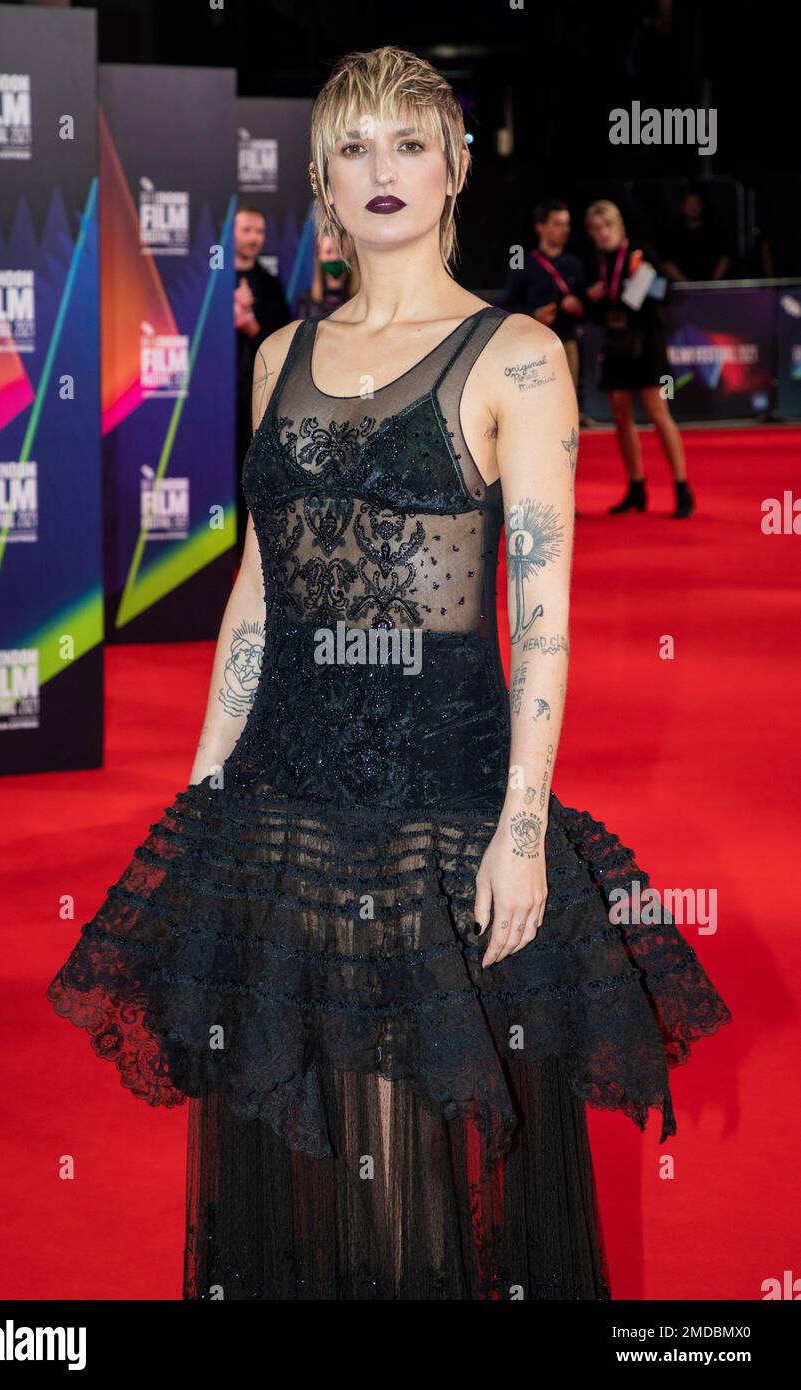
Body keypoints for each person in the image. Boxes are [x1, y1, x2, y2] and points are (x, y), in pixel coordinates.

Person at [46, 46, 730, 1301]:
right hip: (278, 806)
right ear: (317, 172)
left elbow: (542, 612)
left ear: (457, 167)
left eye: (408, 141)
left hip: (438, 803)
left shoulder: (516, 355)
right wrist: (202, 793)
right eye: (353, 145)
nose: (381, 170)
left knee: (417, 1154)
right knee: (294, 1136)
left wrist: (522, 822)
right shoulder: (275, 361)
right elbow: (257, 590)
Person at [584, 199, 695, 518]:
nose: (601, 234)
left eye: (606, 227)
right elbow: (595, 312)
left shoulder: (639, 252)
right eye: (595, 229)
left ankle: (681, 487)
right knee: (619, 413)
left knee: (658, 413)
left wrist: (640, 283)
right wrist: (595, 300)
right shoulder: (596, 263)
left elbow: (667, 293)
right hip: (616, 344)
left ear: (619, 227)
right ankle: (636, 487)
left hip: (647, 343)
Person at [233, 204, 291, 547]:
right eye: (247, 230)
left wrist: (250, 323)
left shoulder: (269, 285)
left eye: (259, 232)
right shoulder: (214, 280)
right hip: (215, 400)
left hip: (256, 397)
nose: (254, 238)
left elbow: (281, 339)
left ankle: (248, 549)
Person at [502, 198, 585, 392]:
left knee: (567, 398)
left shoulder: (576, 264)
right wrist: (534, 316)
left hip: (566, 342)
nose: (564, 229)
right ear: (540, 227)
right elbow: (508, 307)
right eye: (557, 224)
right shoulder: (524, 263)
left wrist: (578, 305)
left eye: (566, 224)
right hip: (533, 343)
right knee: (534, 398)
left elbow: (589, 310)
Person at [663, 186, 731, 284]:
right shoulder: (671, 234)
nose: (693, 207)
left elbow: (725, 258)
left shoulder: (715, 231)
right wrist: (687, 285)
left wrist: (712, 283)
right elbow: (667, 263)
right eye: (689, 204)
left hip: (712, 286)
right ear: (681, 207)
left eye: (696, 203)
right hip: (682, 288)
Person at [296, 231, 360, 318]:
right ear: (319, 255)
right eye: (328, 252)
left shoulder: (362, 298)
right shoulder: (307, 300)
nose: (335, 257)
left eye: (341, 252)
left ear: (351, 254)